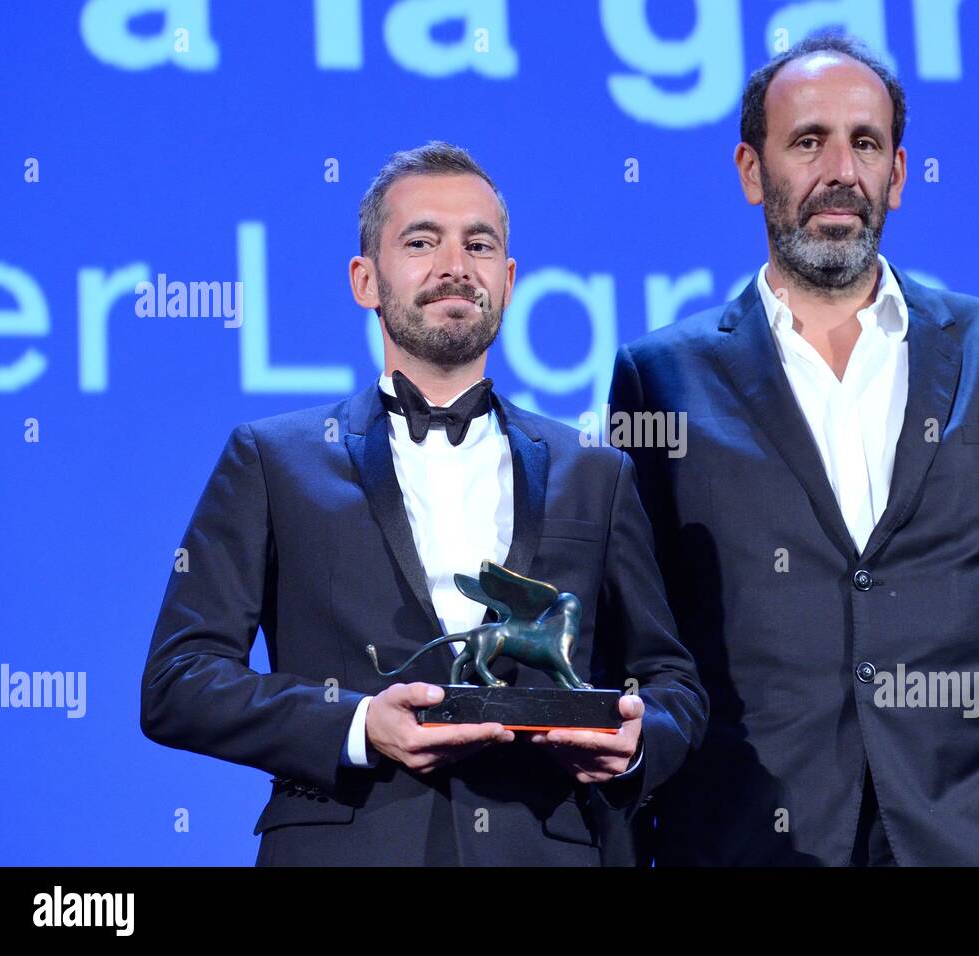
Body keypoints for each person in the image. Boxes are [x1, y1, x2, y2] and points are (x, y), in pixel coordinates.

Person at [608, 35, 979, 866]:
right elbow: (638, 649)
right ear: (750, 169)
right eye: (808, 142)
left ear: (898, 176)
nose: (840, 170)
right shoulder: (661, 379)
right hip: (752, 833)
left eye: (865, 143)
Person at [141, 142, 707, 866]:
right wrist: (357, 724)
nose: (454, 265)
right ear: (365, 280)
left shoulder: (597, 473)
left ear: (507, 279)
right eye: (420, 241)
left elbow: (673, 685)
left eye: (479, 243)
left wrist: (633, 744)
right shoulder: (272, 459)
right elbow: (178, 681)